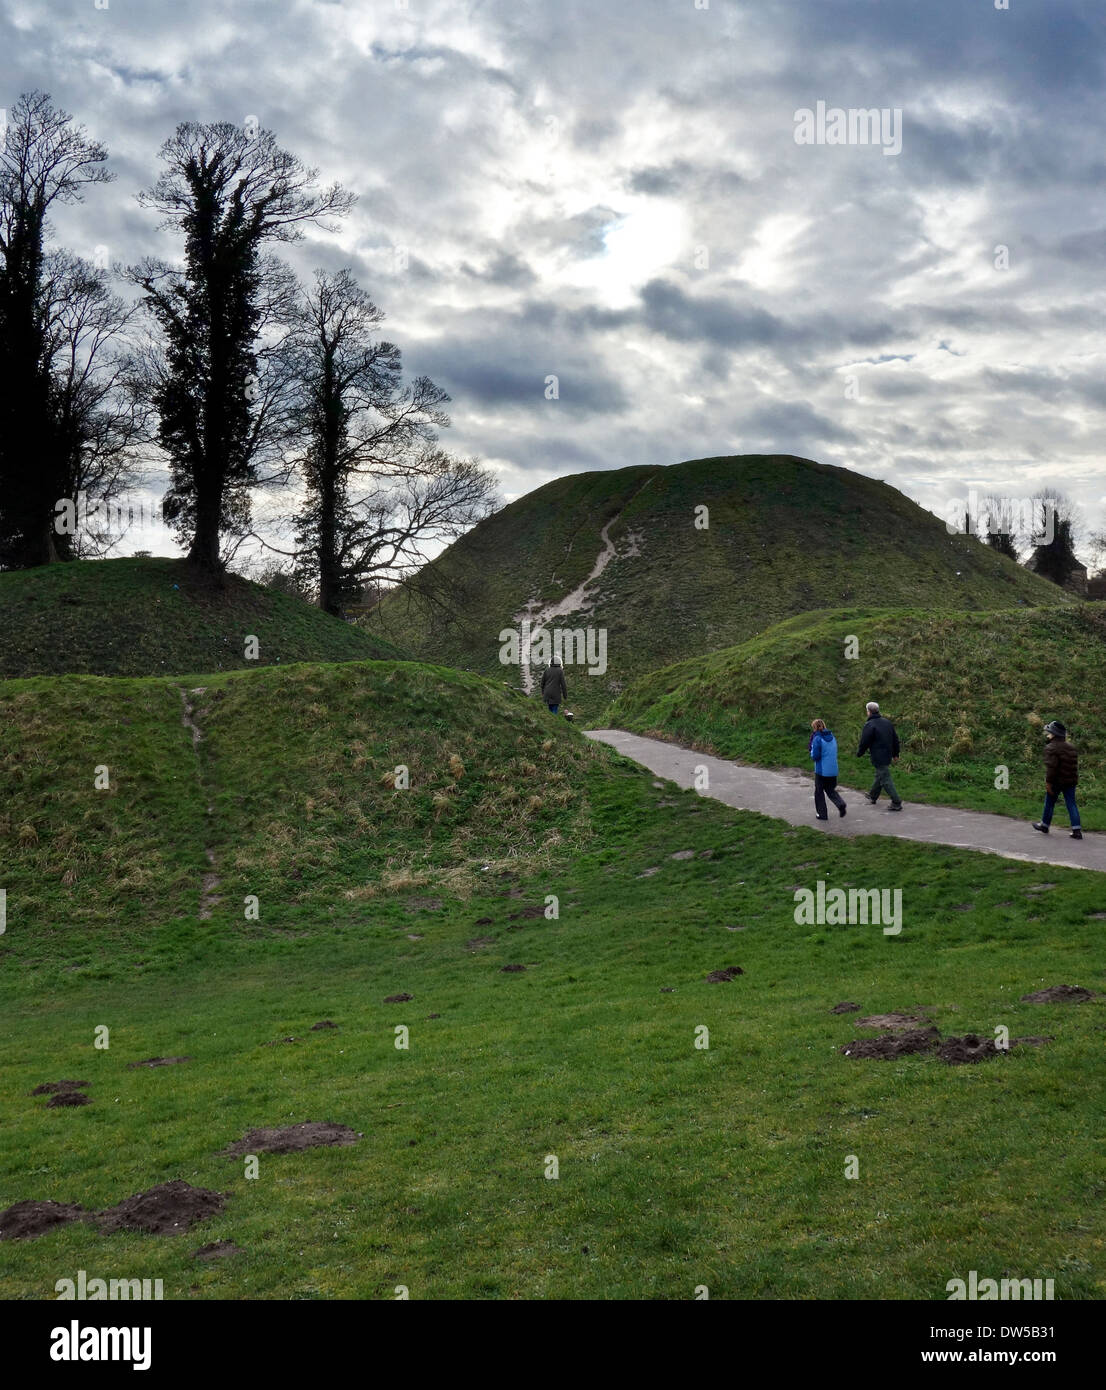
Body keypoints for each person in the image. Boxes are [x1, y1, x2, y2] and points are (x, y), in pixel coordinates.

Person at [1033, 721, 1082, 839]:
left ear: (1054, 734)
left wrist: (1048, 782)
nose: (1047, 735)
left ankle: (1044, 825)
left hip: (1056, 782)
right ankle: (1077, 831)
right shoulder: (1071, 747)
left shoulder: (1051, 748)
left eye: (1049, 733)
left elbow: (1052, 769)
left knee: (1049, 803)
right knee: (1071, 804)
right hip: (1070, 781)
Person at [857, 700, 902, 810]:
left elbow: (864, 741)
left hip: (878, 756)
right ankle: (873, 795)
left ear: (869, 712)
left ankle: (896, 802)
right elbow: (895, 739)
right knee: (880, 774)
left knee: (885, 779)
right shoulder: (887, 722)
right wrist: (896, 753)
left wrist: (860, 752)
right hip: (887, 755)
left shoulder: (870, 724)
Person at [809, 718, 847, 820]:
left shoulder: (817, 739)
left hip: (821, 771)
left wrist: (811, 752)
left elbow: (815, 756)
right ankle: (840, 804)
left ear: (814, 728)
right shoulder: (833, 737)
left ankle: (822, 814)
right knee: (830, 790)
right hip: (833, 770)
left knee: (819, 792)